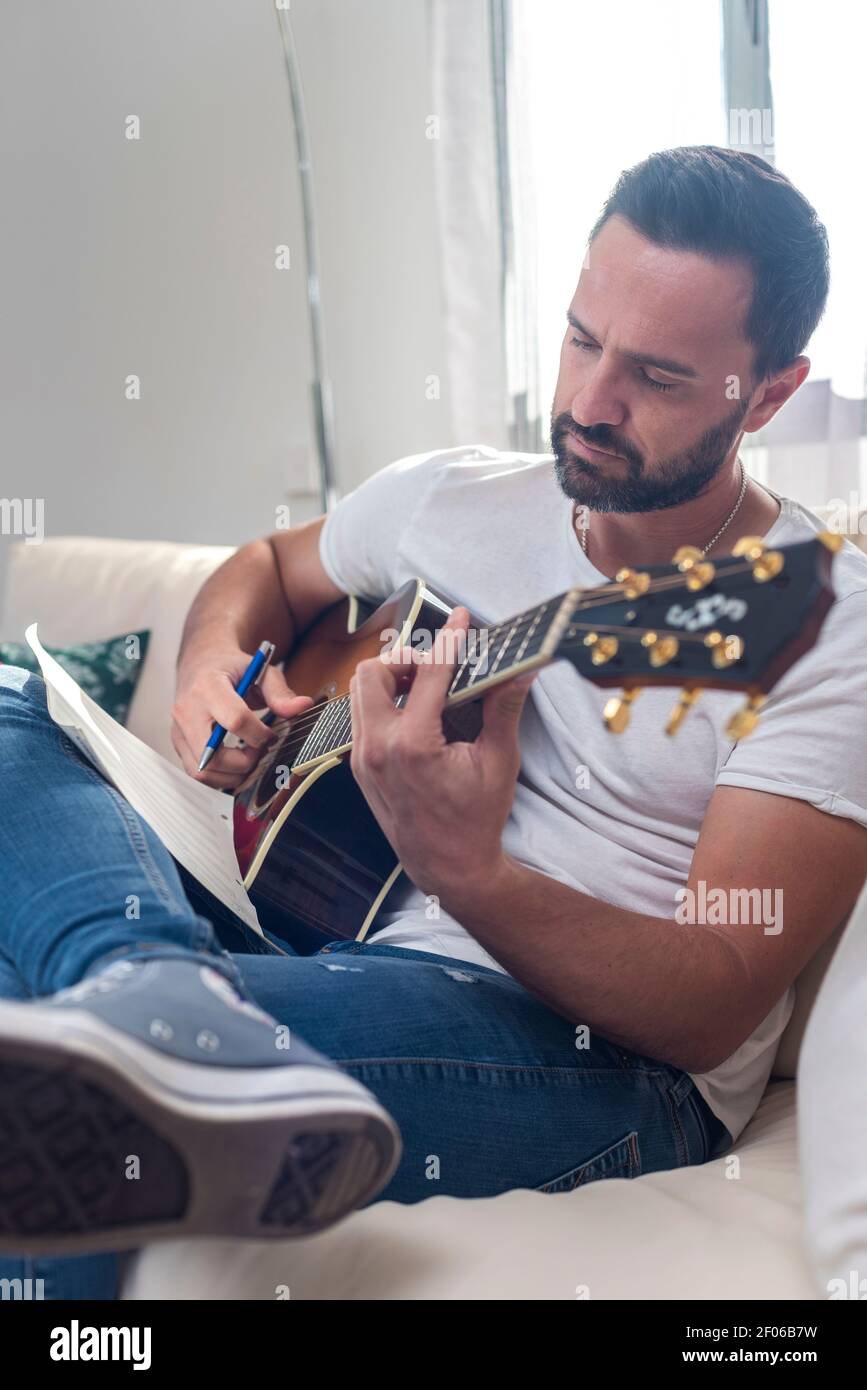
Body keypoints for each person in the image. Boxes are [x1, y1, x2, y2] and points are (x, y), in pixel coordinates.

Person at [3, 145, 867, 1302]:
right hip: (306, 932)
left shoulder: (812, 616)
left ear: (765, 394)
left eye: (657, 378)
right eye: (579, 339)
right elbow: (265, 564)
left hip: (588, 1053)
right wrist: (209, 670)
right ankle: (141, 986)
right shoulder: (454, 495)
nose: (589, 404)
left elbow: (713, 999)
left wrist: (466, 869)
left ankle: (142, 1020)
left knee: (66, 1088)